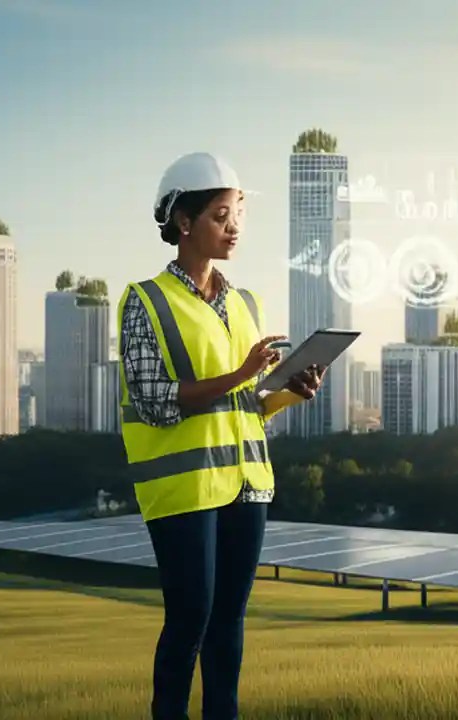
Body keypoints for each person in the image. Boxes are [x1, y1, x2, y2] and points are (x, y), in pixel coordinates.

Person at [117, 151, 323, 720]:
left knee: (229, 624)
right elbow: (155, 399)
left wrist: (289, 391)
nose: (234, 228)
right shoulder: (145, 301)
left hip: (247, 484)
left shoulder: (245, 303)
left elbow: (250, 405)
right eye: (220, 215)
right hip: (183, 490)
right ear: (184, 222)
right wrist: (240, 372)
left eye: (238, 215)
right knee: (190, 621)